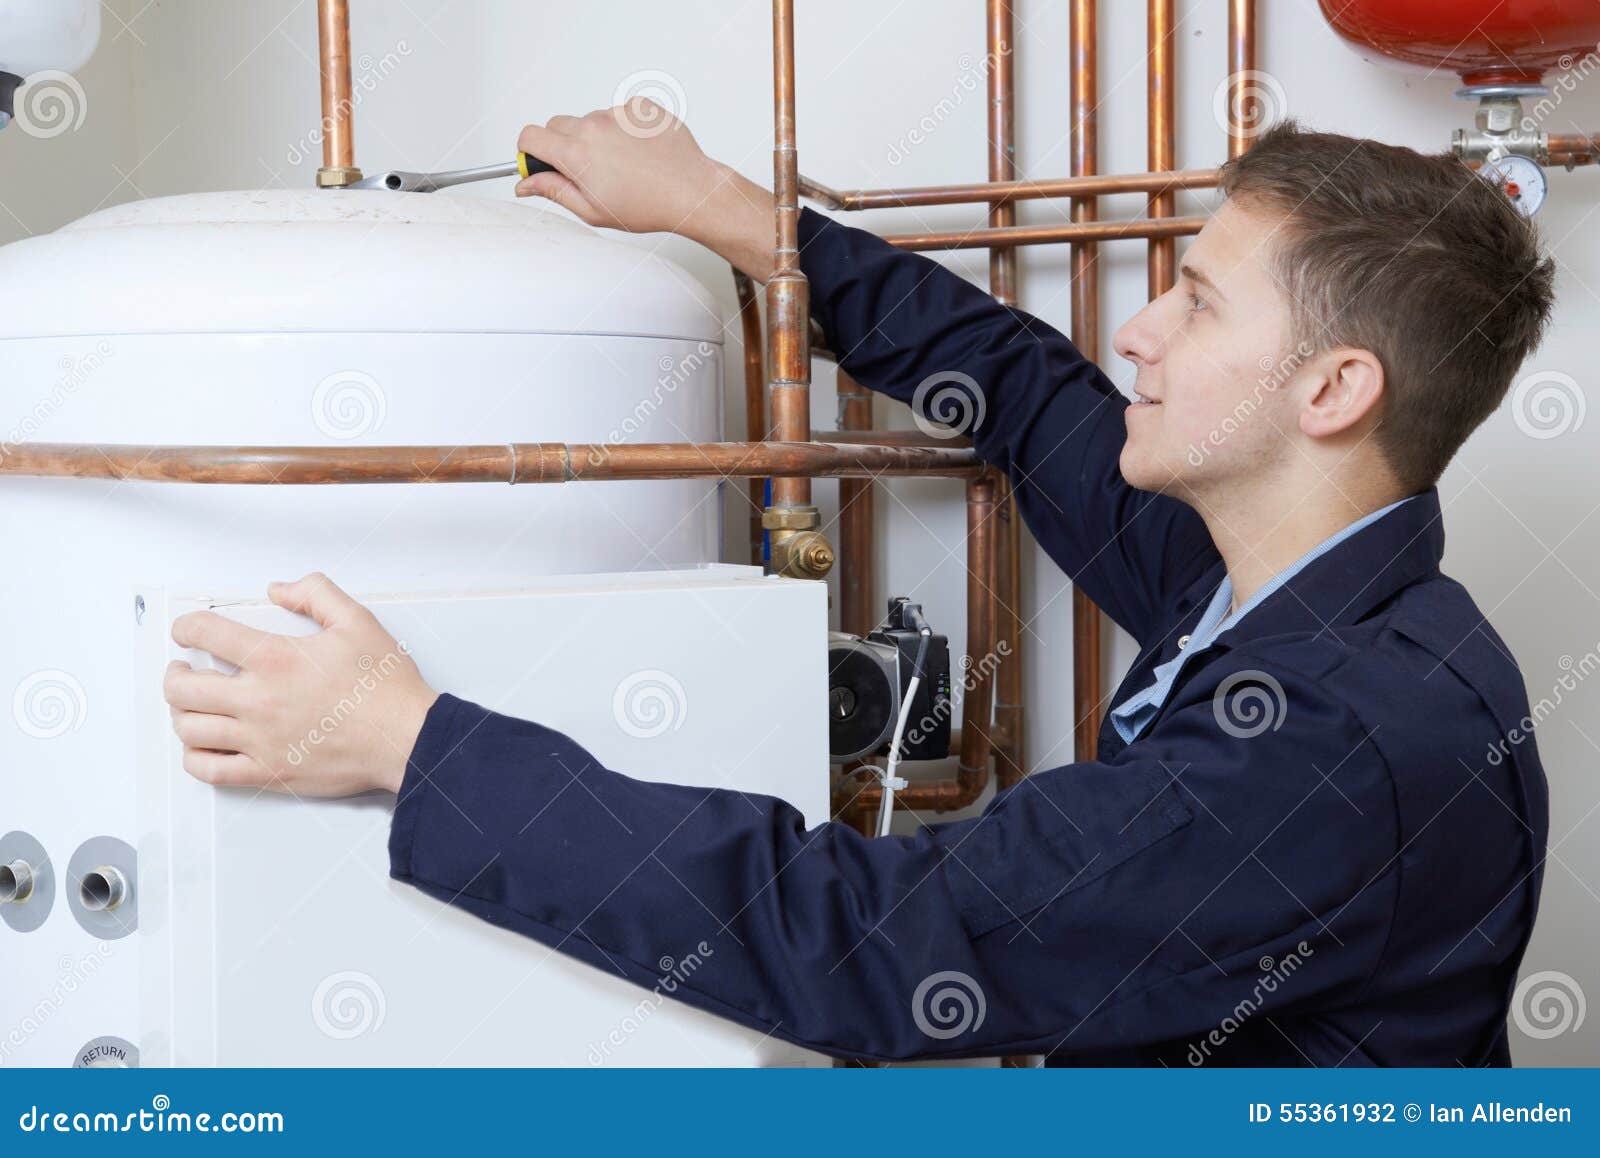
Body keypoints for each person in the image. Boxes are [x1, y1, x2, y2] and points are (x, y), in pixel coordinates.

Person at [162, 104, 1554, 1066]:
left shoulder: (1326, 750)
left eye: (1196, 299)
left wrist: (412, 746)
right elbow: (1026, 396)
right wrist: (737, 219)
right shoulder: (1282, 582)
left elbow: (879, 938)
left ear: (1333, 389)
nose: (1139, 331)